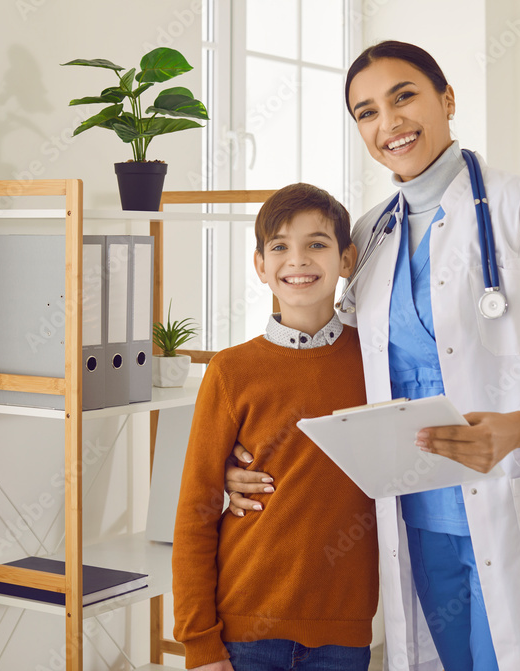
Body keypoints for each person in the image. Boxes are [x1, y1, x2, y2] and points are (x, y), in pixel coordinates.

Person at [224, 41, 520, 671]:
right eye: (366, 112)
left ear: (446, 100)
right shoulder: (367, 234)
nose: (388, 123)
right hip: (416, 516)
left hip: (516, 497)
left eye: (404, 97)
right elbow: (333, 362)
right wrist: (246, 459)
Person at [172, 183, 379, 671]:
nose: (298, 260)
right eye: (280, 246)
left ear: (346, 259)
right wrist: (199, 643)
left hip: (343, 632)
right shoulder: (230, 371)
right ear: (261, 266)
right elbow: (195, 513)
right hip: (244, 630)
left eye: (317, 244)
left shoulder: (377, 362)